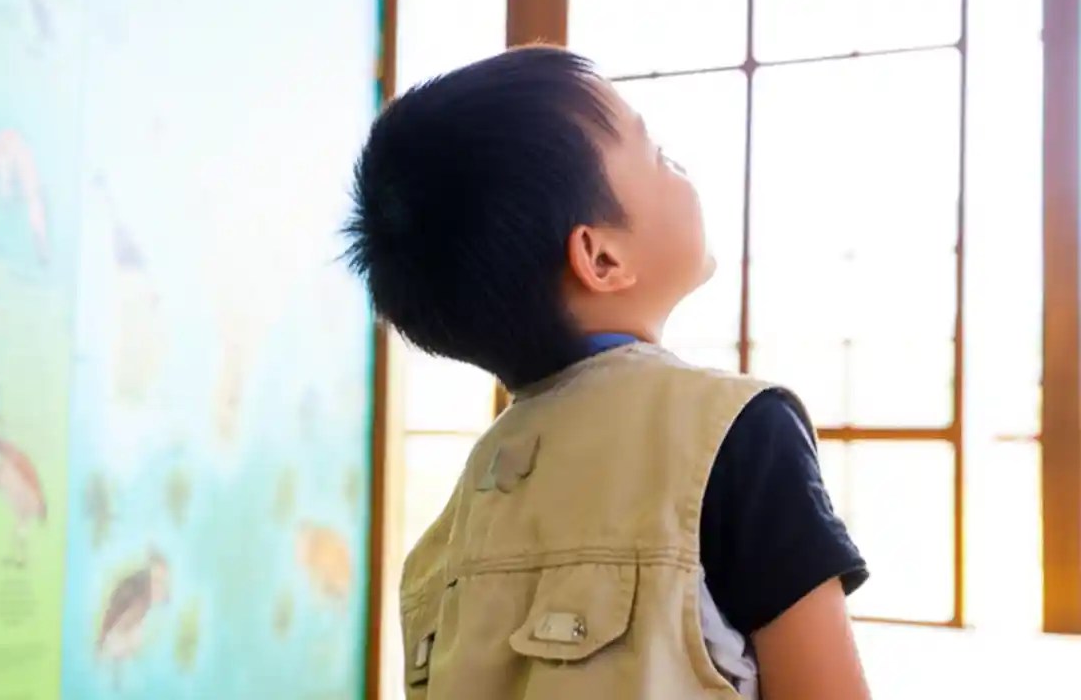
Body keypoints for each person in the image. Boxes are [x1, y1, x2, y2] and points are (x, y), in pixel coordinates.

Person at [343, 45, 871, 700]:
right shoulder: (735, 433)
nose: (681, 170)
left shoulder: (452, 528)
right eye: (658, 155)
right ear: (600, 256)